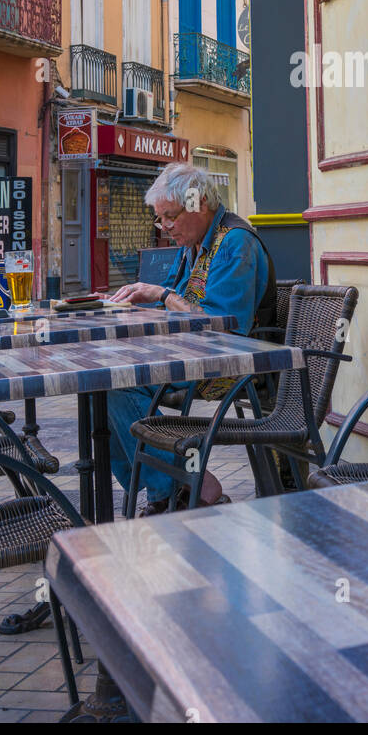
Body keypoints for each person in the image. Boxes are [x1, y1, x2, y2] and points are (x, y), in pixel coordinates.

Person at [107, 164, 276, 514]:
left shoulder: (235, 243)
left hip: (230, 363)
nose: (165, 228)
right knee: (104, 377)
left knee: (116, 383)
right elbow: (177, 307)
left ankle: (184, 488)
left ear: (198, 204)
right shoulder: (195, 244)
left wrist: (163, 295)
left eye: (170, 217)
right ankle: (173, 488)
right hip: (193, 354)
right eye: (160, 219)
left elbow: (225, 329)